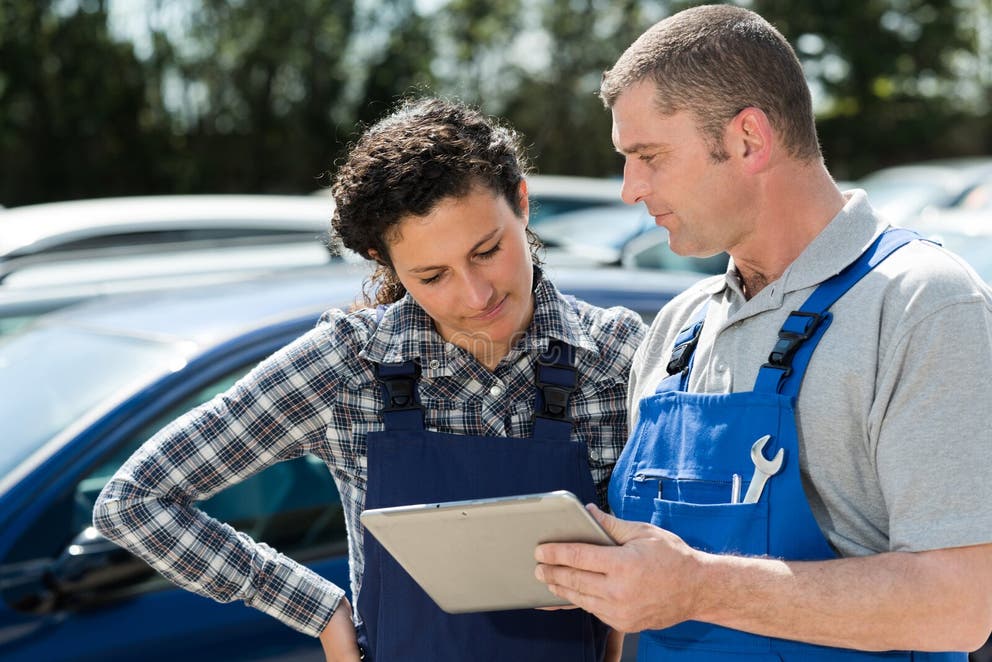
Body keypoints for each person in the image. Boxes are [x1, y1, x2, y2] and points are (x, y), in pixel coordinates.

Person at [92, 97, 643, 661]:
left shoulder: (621, 358)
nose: (476, 296)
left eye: (488, 250)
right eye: (432, 275)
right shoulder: (345, 369)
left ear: (521, 203)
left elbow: (687, 545)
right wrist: (321, 612)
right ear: (385, 260)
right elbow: (133, 501)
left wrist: (633, 627)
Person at [533, 5, 992, 660]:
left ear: (749, 139)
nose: (631, 190)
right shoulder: (675, 331)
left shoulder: (922, 306)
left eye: (650, 157)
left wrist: (697, 588)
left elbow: (959, 606)